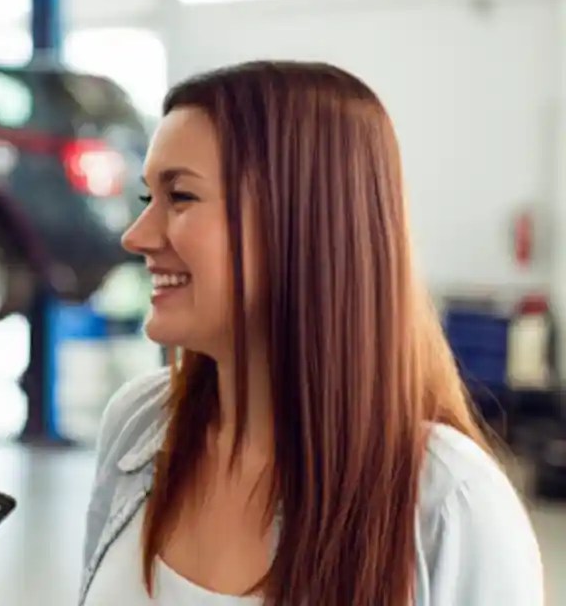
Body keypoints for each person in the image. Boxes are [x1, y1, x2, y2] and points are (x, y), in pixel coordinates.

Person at [79, 61, 544, 606]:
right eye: (146, 199)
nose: (137, 236)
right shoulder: (139, 426)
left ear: (301, 220)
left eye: (180, 197)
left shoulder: (448, 500)